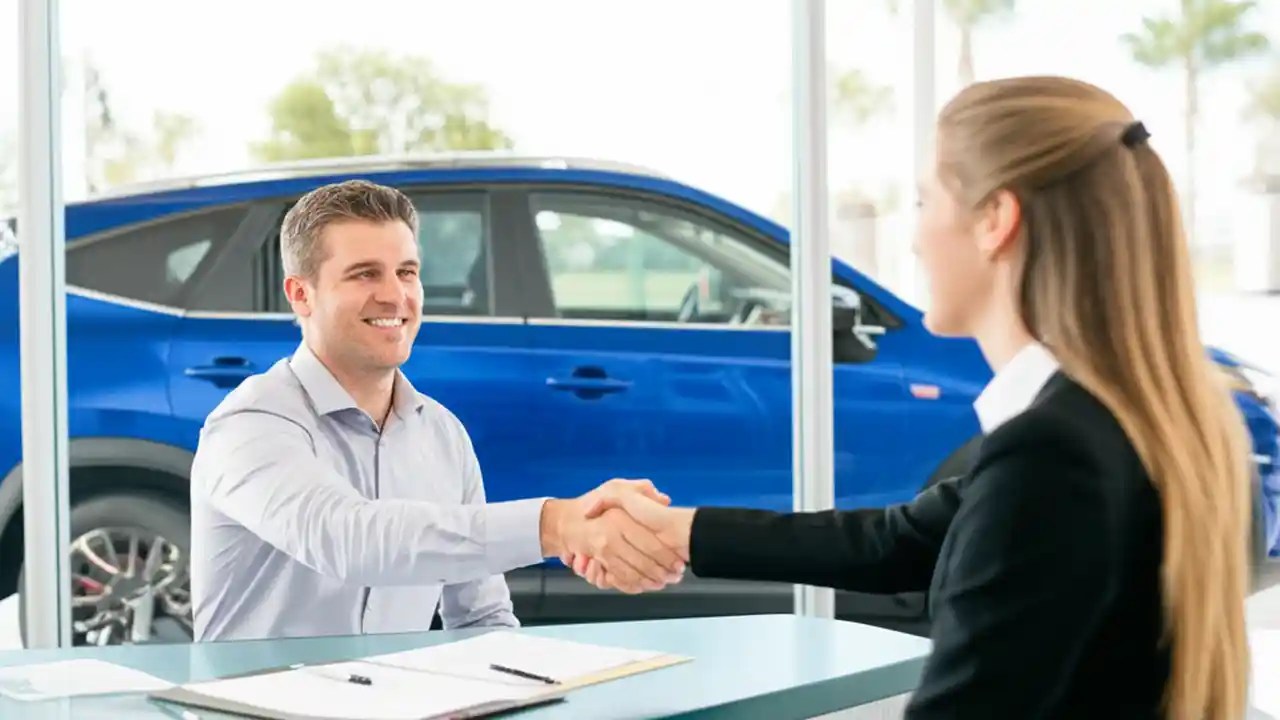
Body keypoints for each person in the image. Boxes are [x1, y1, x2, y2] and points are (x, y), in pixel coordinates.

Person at [567, 76, 1254, 719]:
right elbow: (900, 540)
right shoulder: (1132, 418)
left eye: (925, 202)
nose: (915, 237)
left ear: (996, 220)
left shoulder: (1052, 454)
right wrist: (680, 531)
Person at [189, 180, 684, 643]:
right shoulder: (249, 425)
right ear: (301, 294)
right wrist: (559, 525)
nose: (395, 295)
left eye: (407, 272)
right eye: (365, 274)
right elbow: (345, 539)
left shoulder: (443, 435)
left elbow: (481, 618)